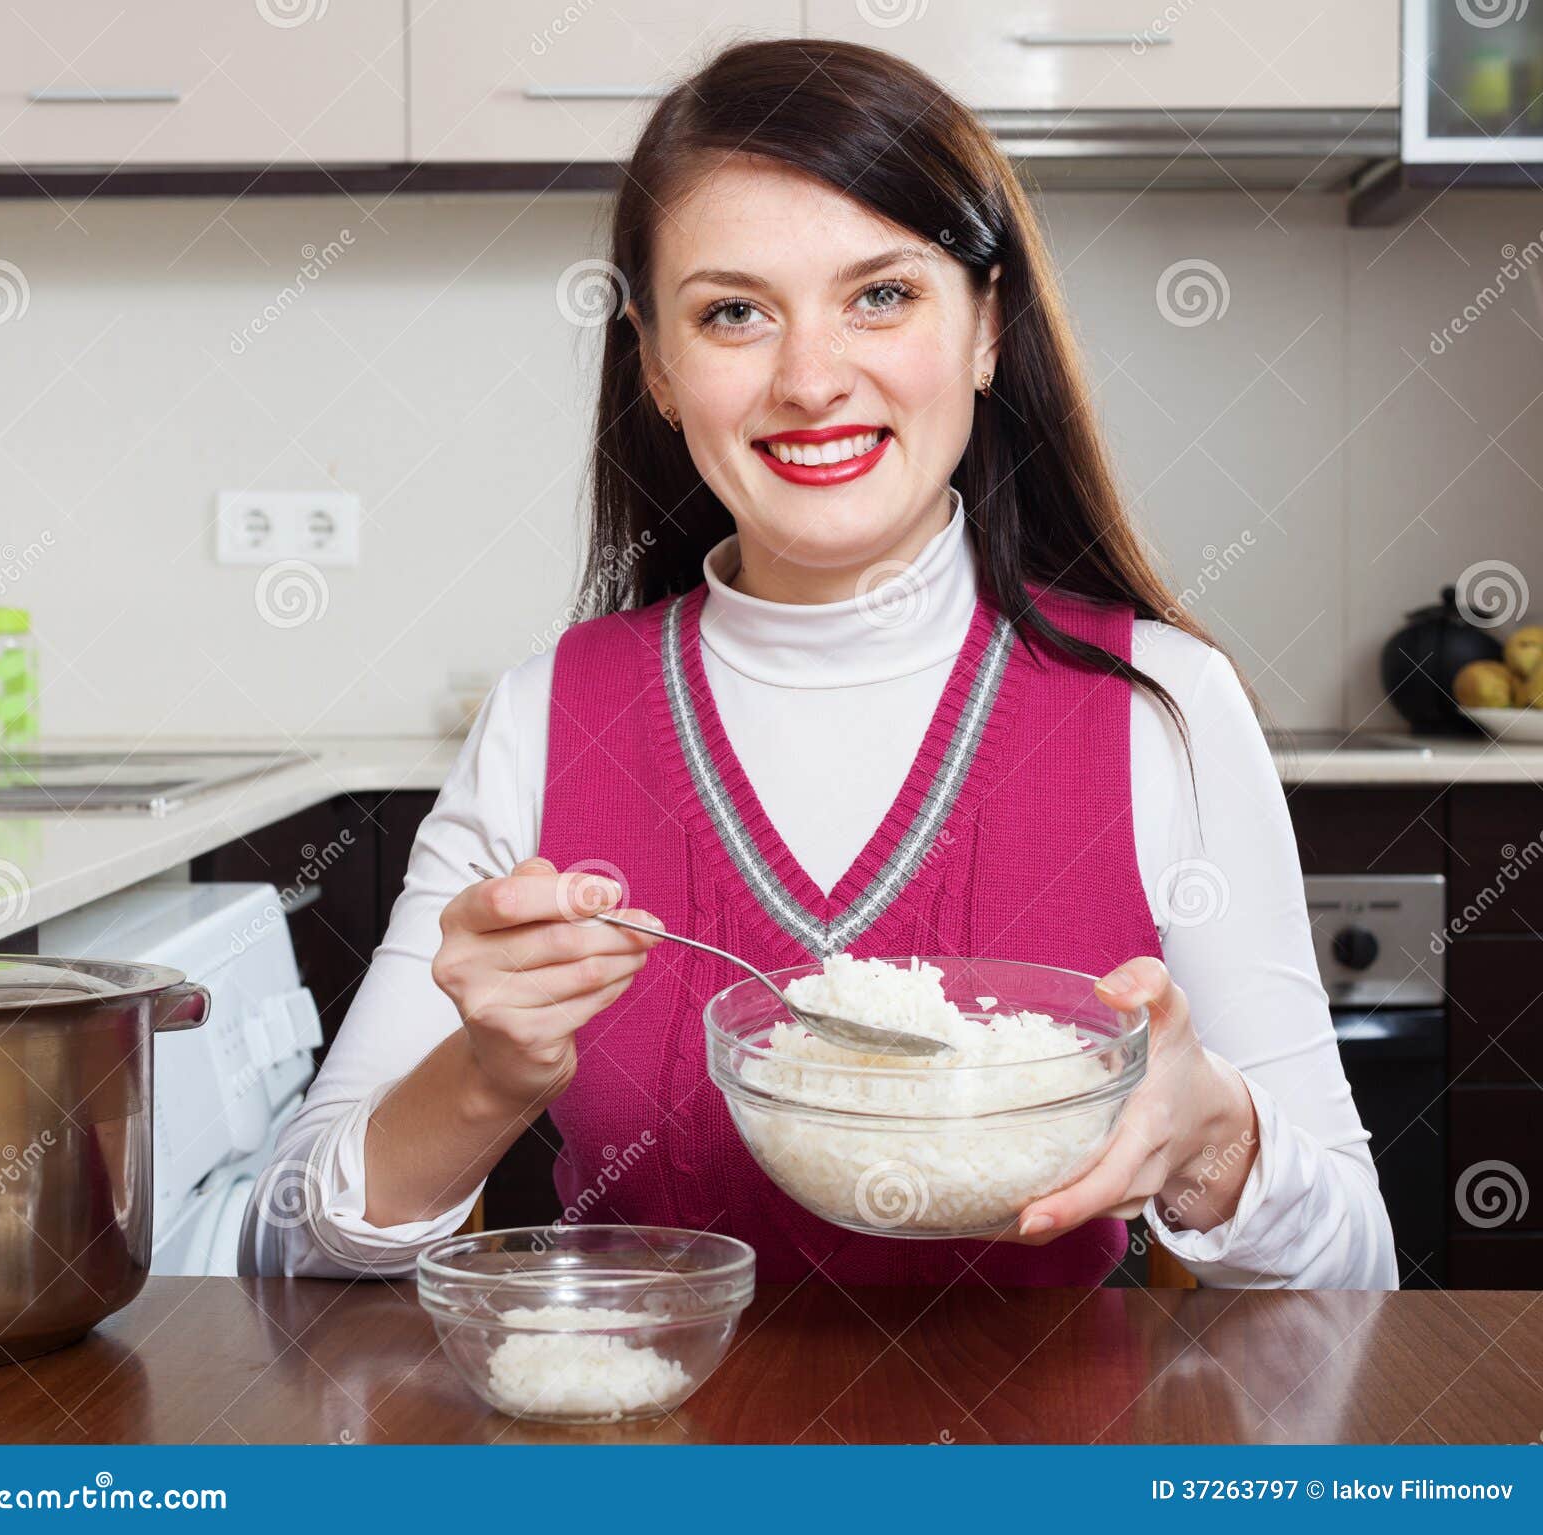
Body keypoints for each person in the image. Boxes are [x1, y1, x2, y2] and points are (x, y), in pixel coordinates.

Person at [246, 38, 1396, 1290]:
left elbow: (1358, 1276)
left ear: (986, 327)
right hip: (646, 1413)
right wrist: (484, 1074)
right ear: (657, 365)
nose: (809, 380)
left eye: (882, 295)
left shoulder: (1159, 708)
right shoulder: (548, 717)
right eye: (733, 313)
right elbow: (282, 1248)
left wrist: (1214, 1138)